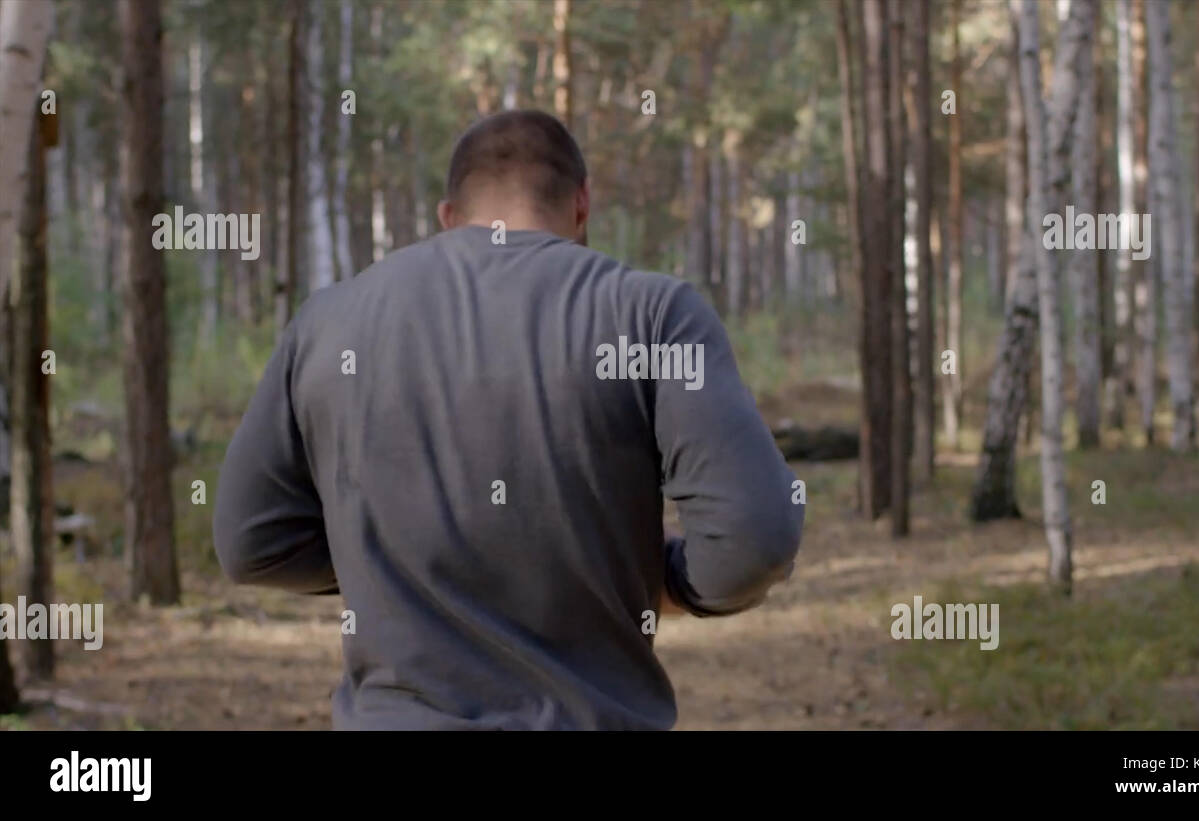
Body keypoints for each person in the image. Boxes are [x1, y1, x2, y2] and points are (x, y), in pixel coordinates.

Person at [213, 109, 803, 730]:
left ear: (448, 218)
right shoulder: (651, 313)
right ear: (582, 206)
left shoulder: (328, 321)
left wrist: (401, 563)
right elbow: (754, 538)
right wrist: (663, 583)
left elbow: (251, 542)